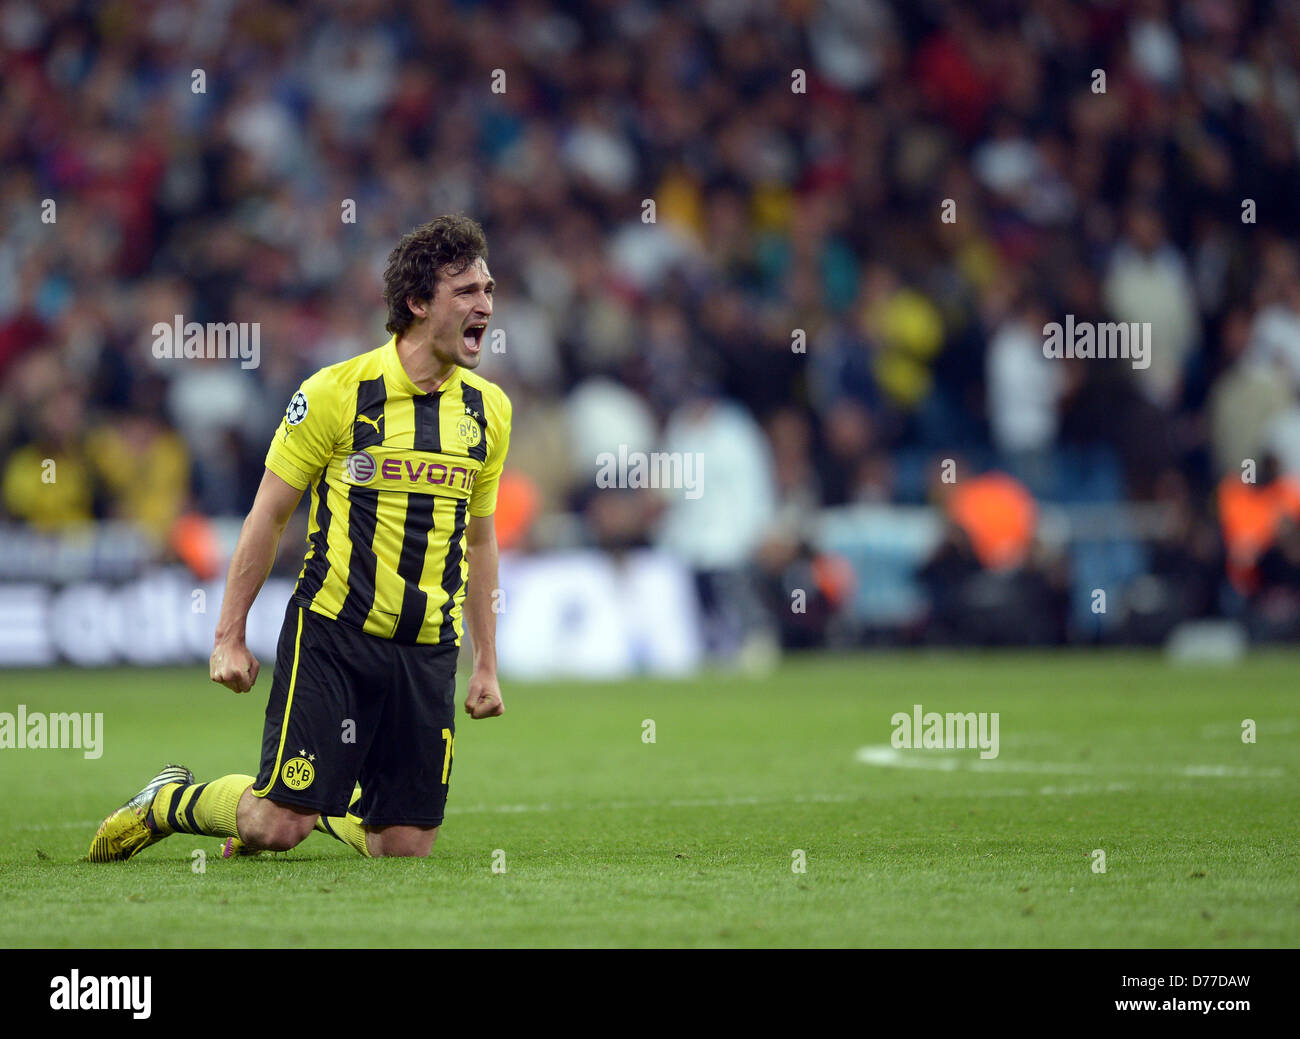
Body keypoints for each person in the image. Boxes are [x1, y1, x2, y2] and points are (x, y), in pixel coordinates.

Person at [89, 215, 511, 861]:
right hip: (334, 635)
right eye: (466, 291)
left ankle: (325, 809)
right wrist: (229, 634)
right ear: (418, 303)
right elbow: (267, 515)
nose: (485, 304)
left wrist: (485, 661)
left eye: (487, 289)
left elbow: (479, 542)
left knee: (404, 849)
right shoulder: (335, 395)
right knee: (278, 823)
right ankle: (167, 801)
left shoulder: (490, 411)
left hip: (427, 648)